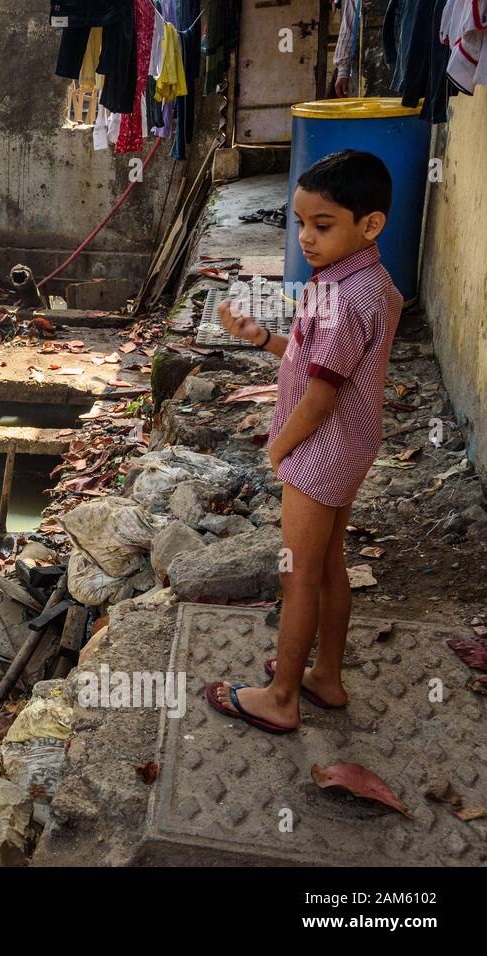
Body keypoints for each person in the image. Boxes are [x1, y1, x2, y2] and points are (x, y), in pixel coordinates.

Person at [207, 150, 401, 733]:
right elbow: (317, 364)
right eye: (300, 223)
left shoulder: (341, 298)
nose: (307, 238)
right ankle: (327, 677)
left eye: (323, 225)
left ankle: (282, 696)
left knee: (297, 575)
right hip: (352, 442)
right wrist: (261, 335)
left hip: (321, 449)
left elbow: (319, 398)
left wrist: (277, 449)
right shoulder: (364, 280)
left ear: (369, 225)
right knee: (326, 565)